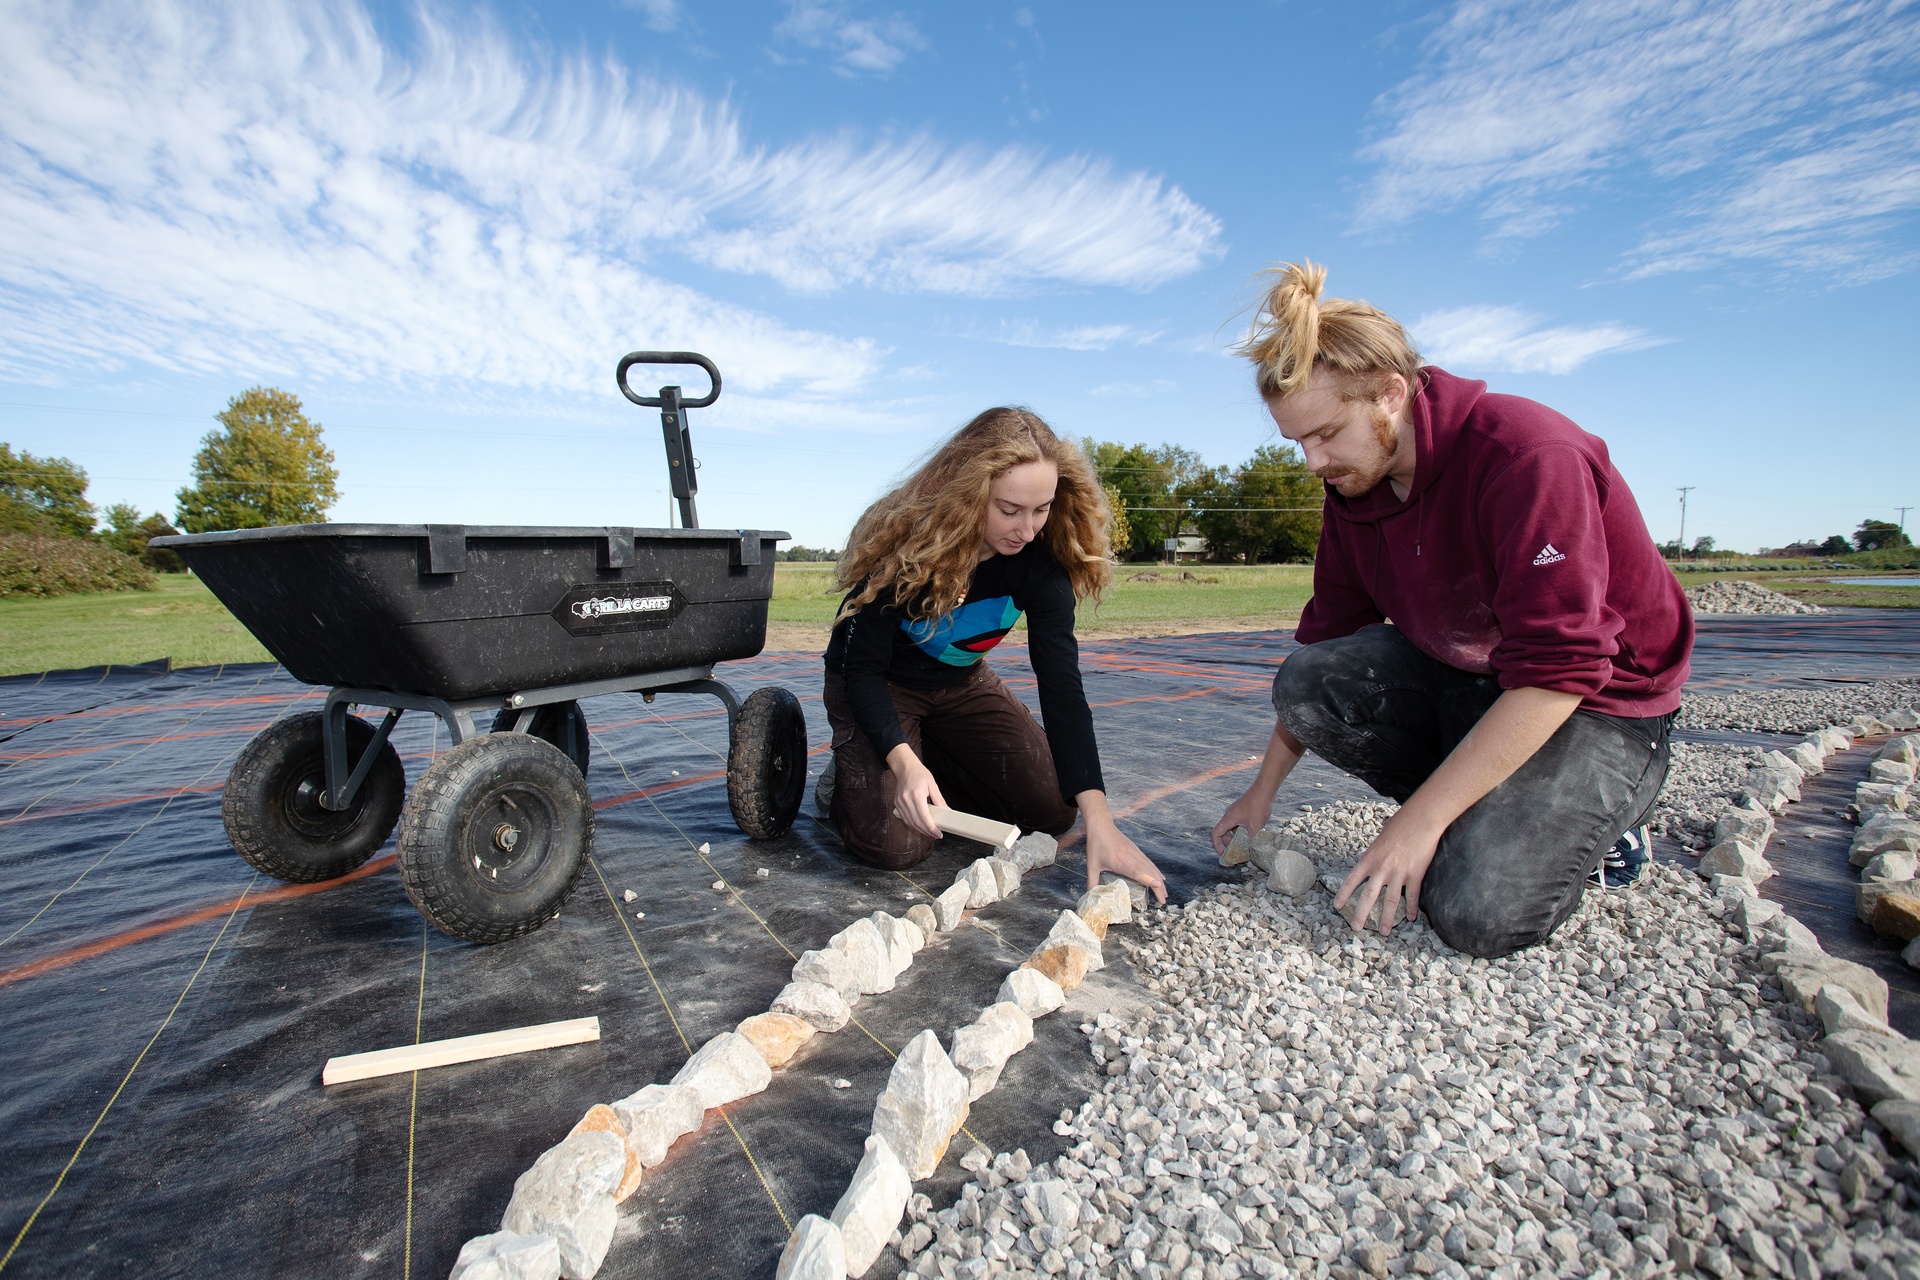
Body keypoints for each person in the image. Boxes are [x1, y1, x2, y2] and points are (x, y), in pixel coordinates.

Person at [1211, 262, 1692, 958]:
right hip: (1478, 676)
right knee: (1309, 683)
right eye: (1298, 444)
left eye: (1326, 433)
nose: (1313, 461)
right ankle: (1486, 803)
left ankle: (1602, 816)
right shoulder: (1355, 489)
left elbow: (1563, 669)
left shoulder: (1527, 455)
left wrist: (1418, 821)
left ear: (1390, 394)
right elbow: (1323, 649)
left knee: (1476, 913)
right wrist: (1261, 793)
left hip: (1601, 702)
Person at [819, 406, 1167, 902]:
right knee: (898, 847)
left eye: (1041, 509)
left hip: (960, 682)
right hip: (879, 685)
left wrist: (1100, 821)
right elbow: (862, 672)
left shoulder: (1044, 566)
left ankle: (930, 755)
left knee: (1052, 811)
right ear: (969, 492)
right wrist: (902, 763)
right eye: (1010, 510)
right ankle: (849, 785)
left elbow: (1062, 687)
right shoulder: (907, 549)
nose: (1027, 529)